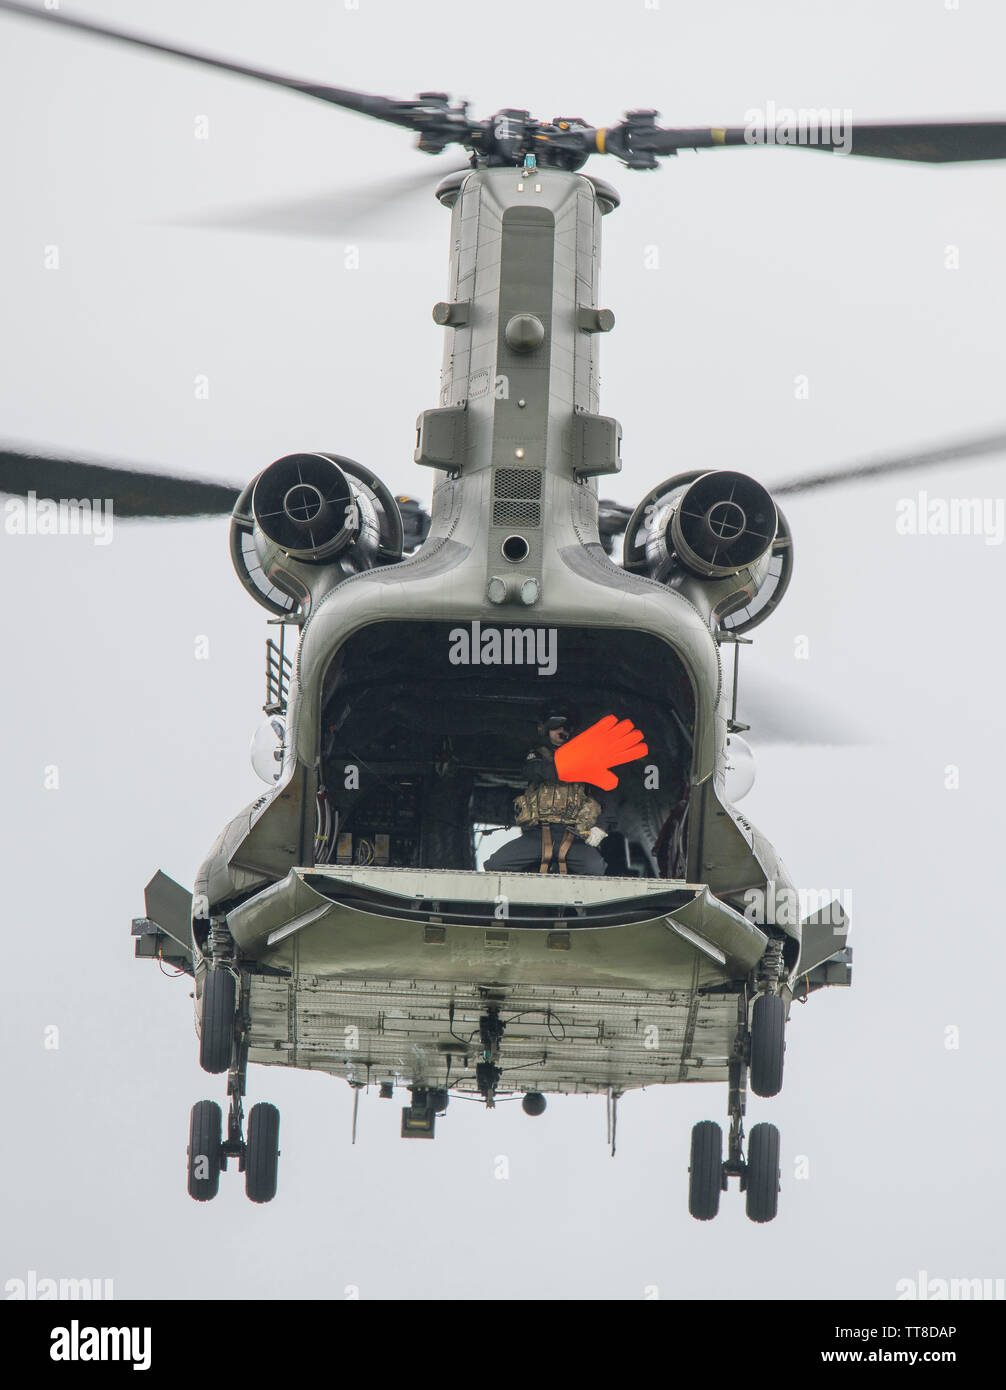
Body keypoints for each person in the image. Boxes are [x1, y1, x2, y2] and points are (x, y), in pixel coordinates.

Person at [484, 708, 610, 875]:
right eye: (556, 727)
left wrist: (601, 827)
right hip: (538, 835)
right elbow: (537, 771)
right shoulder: (536, 756)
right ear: (544, 730)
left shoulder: (588, 762)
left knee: (596, 869)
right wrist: (576, 762)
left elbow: (608, 798)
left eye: (566, 728)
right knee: (496, 864)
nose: (561, 732)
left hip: (574, 837)